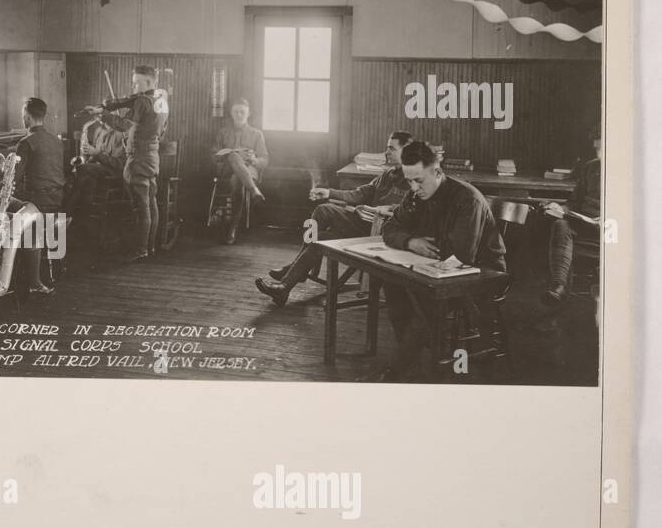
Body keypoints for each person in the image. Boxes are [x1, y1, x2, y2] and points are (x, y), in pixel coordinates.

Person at [364, 141, 507, 382]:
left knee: (425, 297)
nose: (413, 187)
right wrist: (412, 242)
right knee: (394, 285)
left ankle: (398, 370)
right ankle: (411, 362)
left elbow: (460, 255)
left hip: (483, 273)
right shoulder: (418, 195)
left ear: (437, 172)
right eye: (409, 180)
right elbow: (390, 229)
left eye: (418, 180)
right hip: (441, 268)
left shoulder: (466, 199)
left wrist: (425, 241)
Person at [254, 132, 414, 306]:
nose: (386, 152)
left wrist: (388, 209)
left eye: (392, 148)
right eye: (387, 147)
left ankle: (295, 270)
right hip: (364, 224)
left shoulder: (414, 179)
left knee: (324, 211)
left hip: (382, 234)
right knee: (319, 237)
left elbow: (412, 211)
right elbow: (359, 193)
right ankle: (285, 286)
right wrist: (328, 192)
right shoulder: (389, 174)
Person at [103, 65, 167, 263]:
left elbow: (123, 125)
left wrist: (102, 114)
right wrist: (112, 105)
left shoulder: (141, 101)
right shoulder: (161, 100)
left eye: (136, 82)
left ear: (148, 82)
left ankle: (140, 250)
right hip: (152, 157)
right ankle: (150, 246)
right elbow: (161, 130)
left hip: (138, 158)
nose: (133, 86)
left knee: (141, 207)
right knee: (151, 203)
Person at [542, 132, 602, 306]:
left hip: (612, 230)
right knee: (560, 223)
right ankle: (559, 286)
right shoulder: (590, 168)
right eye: (596, 148)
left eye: (602, 148)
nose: (598, 153)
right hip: (585, 223)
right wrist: (559, 208)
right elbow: (573, 203)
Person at [14, 97, 64, 295]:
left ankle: (33, 281)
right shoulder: (56, 141)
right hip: (57, 198)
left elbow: (15, 177)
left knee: (9, 204)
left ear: (26, 118)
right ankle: (53, 270)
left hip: (39, 201)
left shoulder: (26, 142)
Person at [211, 98, 268, 244]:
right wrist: (225, 155)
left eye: (242, 112)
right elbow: (213, 155)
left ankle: (232, 229)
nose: (239, 114)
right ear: (231, 113)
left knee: (238, 179)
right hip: (225, 170)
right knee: (233, 155)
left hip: (248, 171)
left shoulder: (257, 134)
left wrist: (254, 159)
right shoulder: (223, 132)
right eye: (236, 111)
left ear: (248, 114)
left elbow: (265, 160)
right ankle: (254, 191)